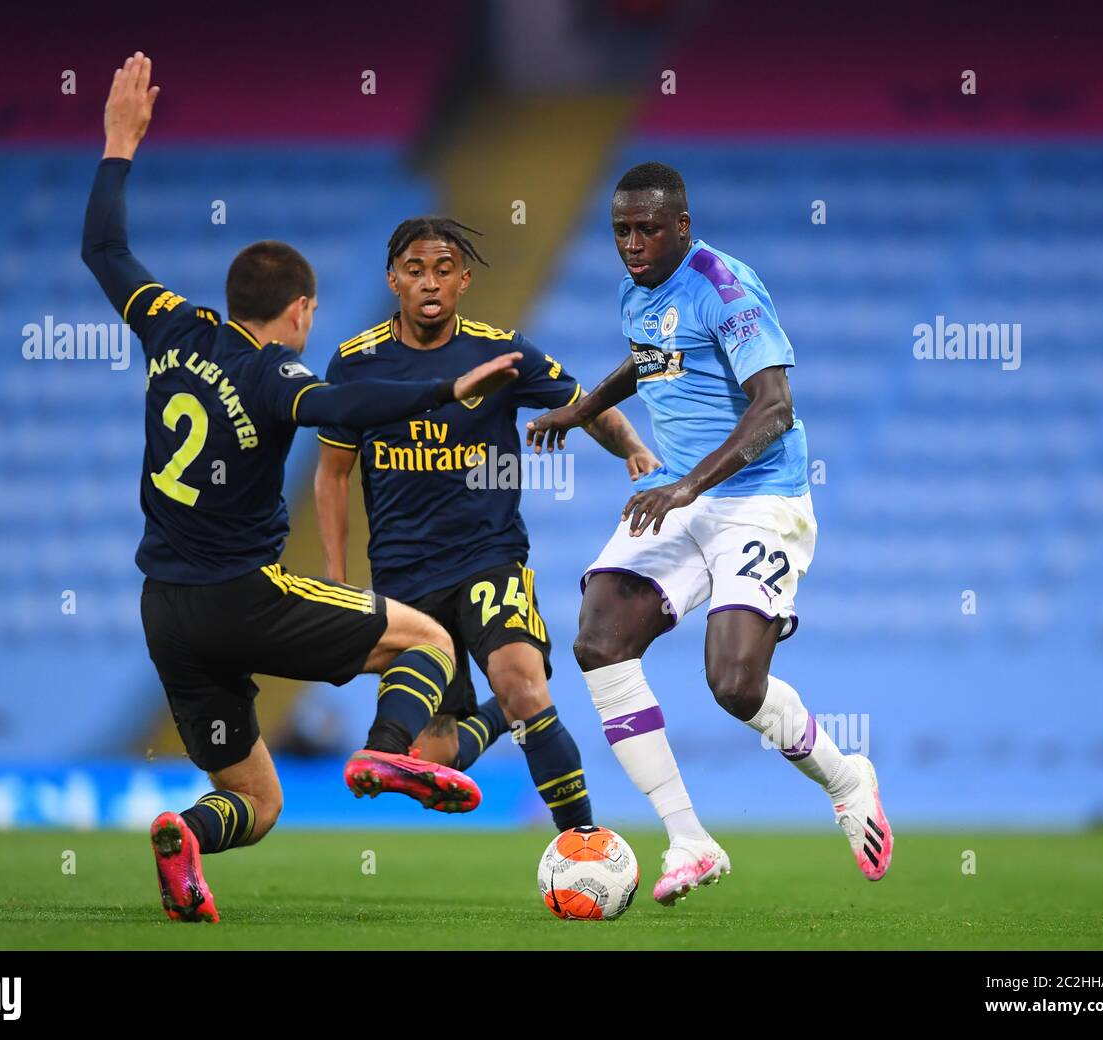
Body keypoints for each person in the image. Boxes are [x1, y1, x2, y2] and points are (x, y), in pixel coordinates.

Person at [82, 54, 521, 922]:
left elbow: (103, 247)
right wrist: (442, 387)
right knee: (430, 640)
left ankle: (187, 834)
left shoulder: (169, 324)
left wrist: (118, 143)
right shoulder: (276, 372)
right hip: (240, 596)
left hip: (164, 609)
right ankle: (383, 751)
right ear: (301, 309)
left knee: (258, 798)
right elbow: (344, 401)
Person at [526, 161, 894, 906]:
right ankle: (690, 842)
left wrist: (687, 484)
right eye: (621, 230)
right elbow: (653, 355)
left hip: (759, 500)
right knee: (598, 639)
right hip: (685, 500)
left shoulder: (725, 289)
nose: (632, 243)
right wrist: (581, 406)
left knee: (733, 684)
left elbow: (775, 406)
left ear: (682, 226)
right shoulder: (639, 289)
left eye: (648, 228)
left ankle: (847, 776)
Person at [315, 217, 659, 830]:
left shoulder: (503, 352)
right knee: (439, 751)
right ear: (393, 280)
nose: (430, 283)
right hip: (402, 572)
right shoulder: (353, 363)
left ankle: (584, 842)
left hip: (487, 558)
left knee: (523, 684)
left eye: (443, 271)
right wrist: (341, 581)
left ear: (463, 280)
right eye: (415, 270)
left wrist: (632, 446)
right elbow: (333, 474)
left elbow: (579, 404)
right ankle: (498, 716)